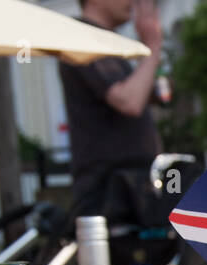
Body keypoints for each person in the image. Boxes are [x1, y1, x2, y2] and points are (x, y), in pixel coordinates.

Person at [58, 0, 164, 224]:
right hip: (108, 194)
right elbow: (128, 101)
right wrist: (153, 47)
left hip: (128, 191)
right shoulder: (83, 38)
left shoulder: (106, 41)